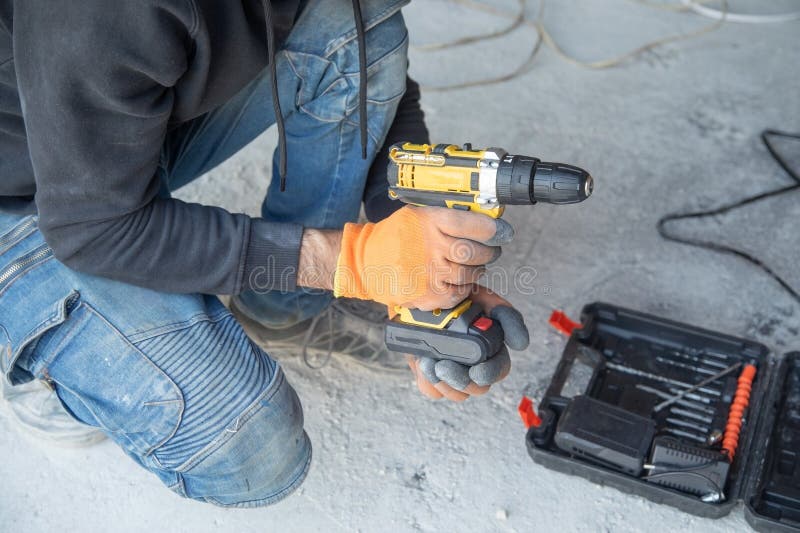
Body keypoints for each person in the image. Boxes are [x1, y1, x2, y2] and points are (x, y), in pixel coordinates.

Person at [0, 0, 528, 507]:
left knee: (357, 25)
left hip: (96, 125)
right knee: (250, 447)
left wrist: (411, 243)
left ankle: (281, 313)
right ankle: (44, 369)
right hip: (22, 196)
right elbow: (94, 227)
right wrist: (351, 260)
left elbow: (362, 57)